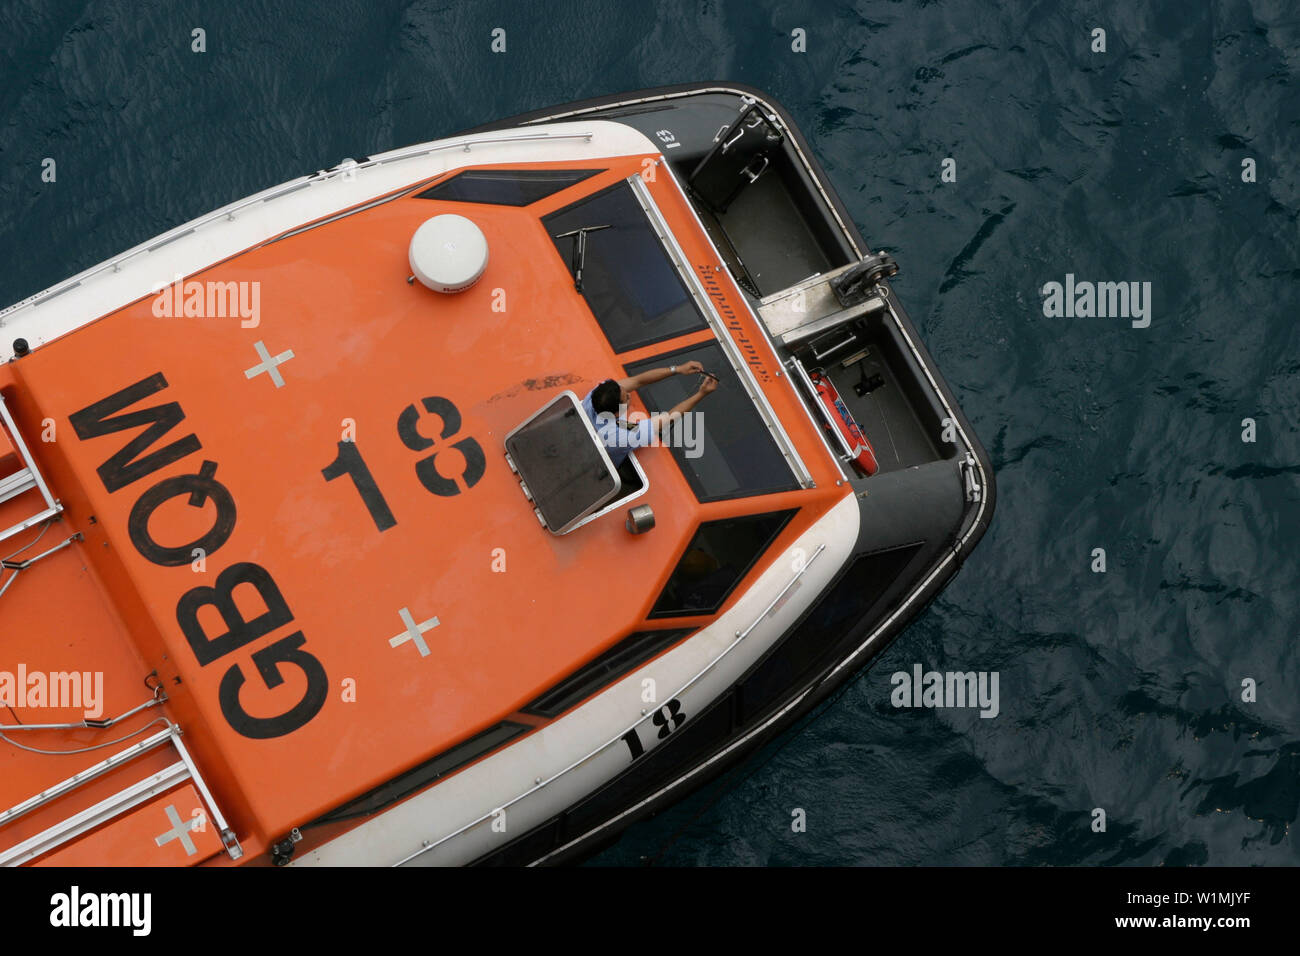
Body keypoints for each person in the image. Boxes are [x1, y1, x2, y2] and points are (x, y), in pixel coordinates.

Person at [580, 361, 718, 467]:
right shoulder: (622, 437)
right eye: (627, 398)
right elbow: (670, 417)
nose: (629, 394)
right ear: (616, 413)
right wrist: (702, 393)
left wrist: (678, 369)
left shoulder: (595, 397)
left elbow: (637, 381)